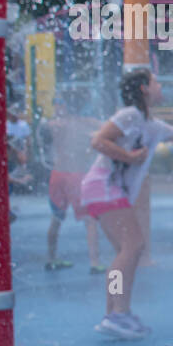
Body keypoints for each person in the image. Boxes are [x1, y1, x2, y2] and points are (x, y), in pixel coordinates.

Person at [81, 69, 173, 340]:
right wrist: (130, 157)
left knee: (127, 250)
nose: (160, 86)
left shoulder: (152, 125)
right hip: (103, 186)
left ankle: (115, 313)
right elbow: (98, 140)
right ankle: (117, 314)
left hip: (106, 190)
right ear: (144, 88)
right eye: (156, 81)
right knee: (132, 246)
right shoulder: (129, 115)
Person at [42, 94, 104, 273]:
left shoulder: (54, 125)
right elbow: (107, 128)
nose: (57, 108)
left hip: (57, 174)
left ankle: (51, 258)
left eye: (59, 104)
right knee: (90, 220)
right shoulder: (86, 123)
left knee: (56, 218)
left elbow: (45, 131)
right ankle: (94, 262)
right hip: (75, 176)